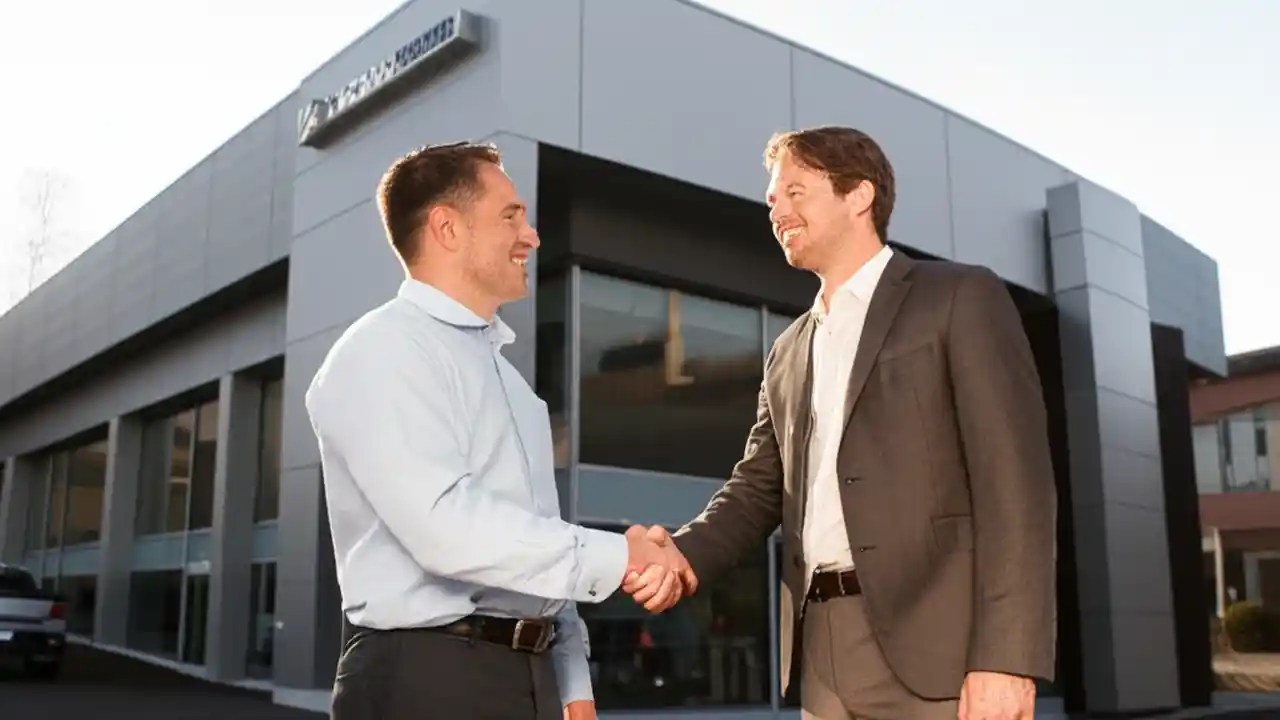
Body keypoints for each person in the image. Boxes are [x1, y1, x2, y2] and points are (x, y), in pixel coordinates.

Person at [625, 126, 1057, 719]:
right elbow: (755, 491)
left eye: (796, 191)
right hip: (820, 653)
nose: (776, 207)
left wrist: (1007, 657)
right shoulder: (788, 350)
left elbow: (1018, 489)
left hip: (939, 651)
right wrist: (681, 553)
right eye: (774, 197)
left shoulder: (958, 297)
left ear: (859, 196)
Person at [304, 141, 691, 720]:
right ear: (447, 229)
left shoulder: (512, 387)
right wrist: (623, 555)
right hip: (425, 680)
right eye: (510, 216)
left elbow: (532, 541)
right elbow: (444, 529)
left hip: (526, 679)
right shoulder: (380, 350)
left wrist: (572, 679)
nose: (531, 236)